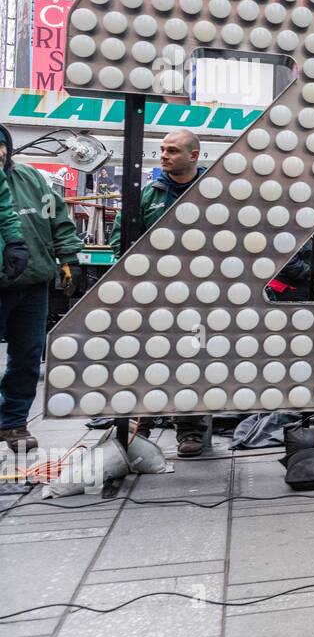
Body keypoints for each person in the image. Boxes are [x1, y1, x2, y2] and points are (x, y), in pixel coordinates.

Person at [111, 129, 209, 456]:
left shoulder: (214, 192)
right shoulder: (149, 193)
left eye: (172, 151)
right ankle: (141, 423)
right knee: (147, 356)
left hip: (201, 294)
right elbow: (121, 238)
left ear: (193, 155)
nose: (164, 156)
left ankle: (190, 430)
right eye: (162, 150)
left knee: (192, 359)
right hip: (154, 293)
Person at [0, 125, 73, 452]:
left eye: (1, 145)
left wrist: (68, 256)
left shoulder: (32, 179)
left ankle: (13, 424)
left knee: (28, 356)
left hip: (34, 281)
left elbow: (57, 217)